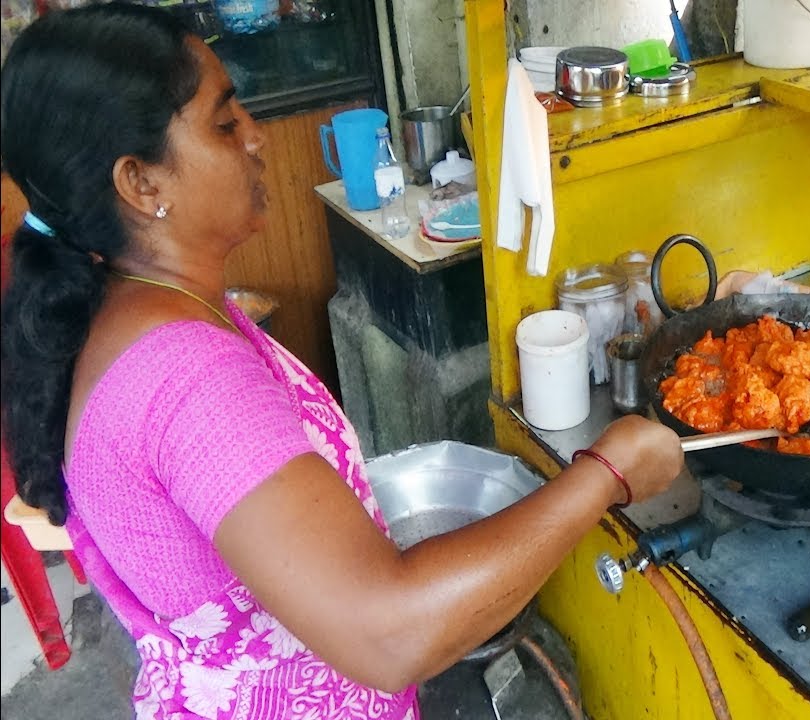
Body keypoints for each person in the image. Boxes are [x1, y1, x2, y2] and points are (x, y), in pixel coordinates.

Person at [0, 5, 685, 719]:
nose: (257, 138)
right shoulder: (183, 377)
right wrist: (605, 475)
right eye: (225, 124)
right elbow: (388, 635)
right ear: (141, 184)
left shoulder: (135, 310)